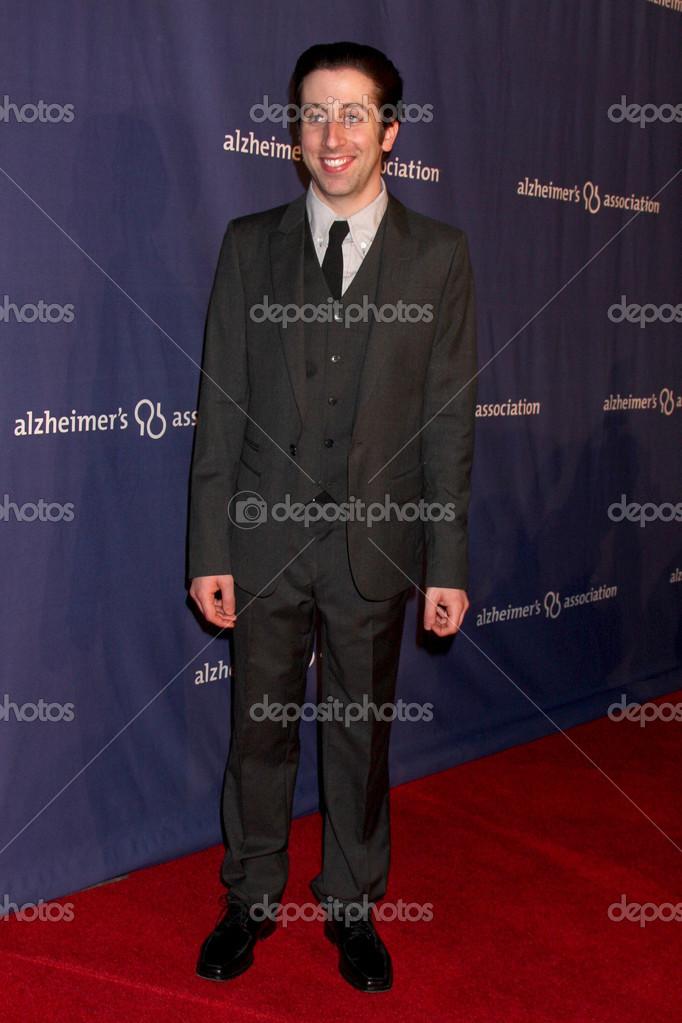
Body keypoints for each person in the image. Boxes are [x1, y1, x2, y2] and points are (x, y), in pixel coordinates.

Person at [188, 40, 477, 992]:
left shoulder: (440, 257)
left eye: (354, 113)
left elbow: (448, 423)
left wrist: (446, 561)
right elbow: (220, 407)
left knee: (360, 738)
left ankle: (352, 904)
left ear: (390, 131)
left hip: (375, 550)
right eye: (315, 113)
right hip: (263, 543)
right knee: (258, 731)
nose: (333, 133)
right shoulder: (249, 245)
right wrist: (210, 547)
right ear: (295, 132)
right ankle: (250, 896)